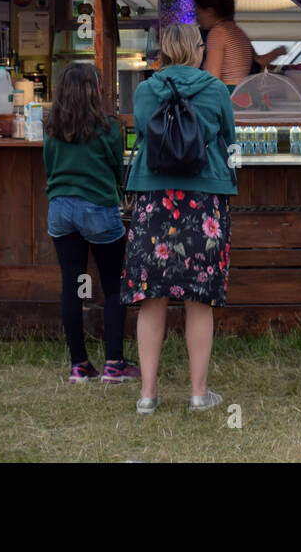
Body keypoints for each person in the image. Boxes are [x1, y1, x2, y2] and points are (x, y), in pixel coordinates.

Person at [123, 22, 237, 414]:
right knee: (198, 299)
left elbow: (141, 131)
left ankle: (148, 396)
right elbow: (229, 136)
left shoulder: (144, 90)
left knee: (151, 299)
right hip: (204, 201)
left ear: (165, 49)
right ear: (196, 49)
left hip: (155, 200)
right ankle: (198, 394)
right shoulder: (216, 90)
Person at [43, 63, 140, 385]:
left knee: (71, 286)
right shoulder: (109, 127)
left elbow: (48, 166)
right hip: (97, 207)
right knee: (113, 287)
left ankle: (79, 365)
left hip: (60, 207)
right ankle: (114, 364)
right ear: (96, 90)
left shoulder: (51, 126)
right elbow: (117, 168)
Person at [193, 0, 285, 89]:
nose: (197, 19)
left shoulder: (217, 33)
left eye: (198, 13)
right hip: (242, 93)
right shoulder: (237, 31)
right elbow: (258, 63)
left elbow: (212, 78)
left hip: (227, 93)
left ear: (209, 11)